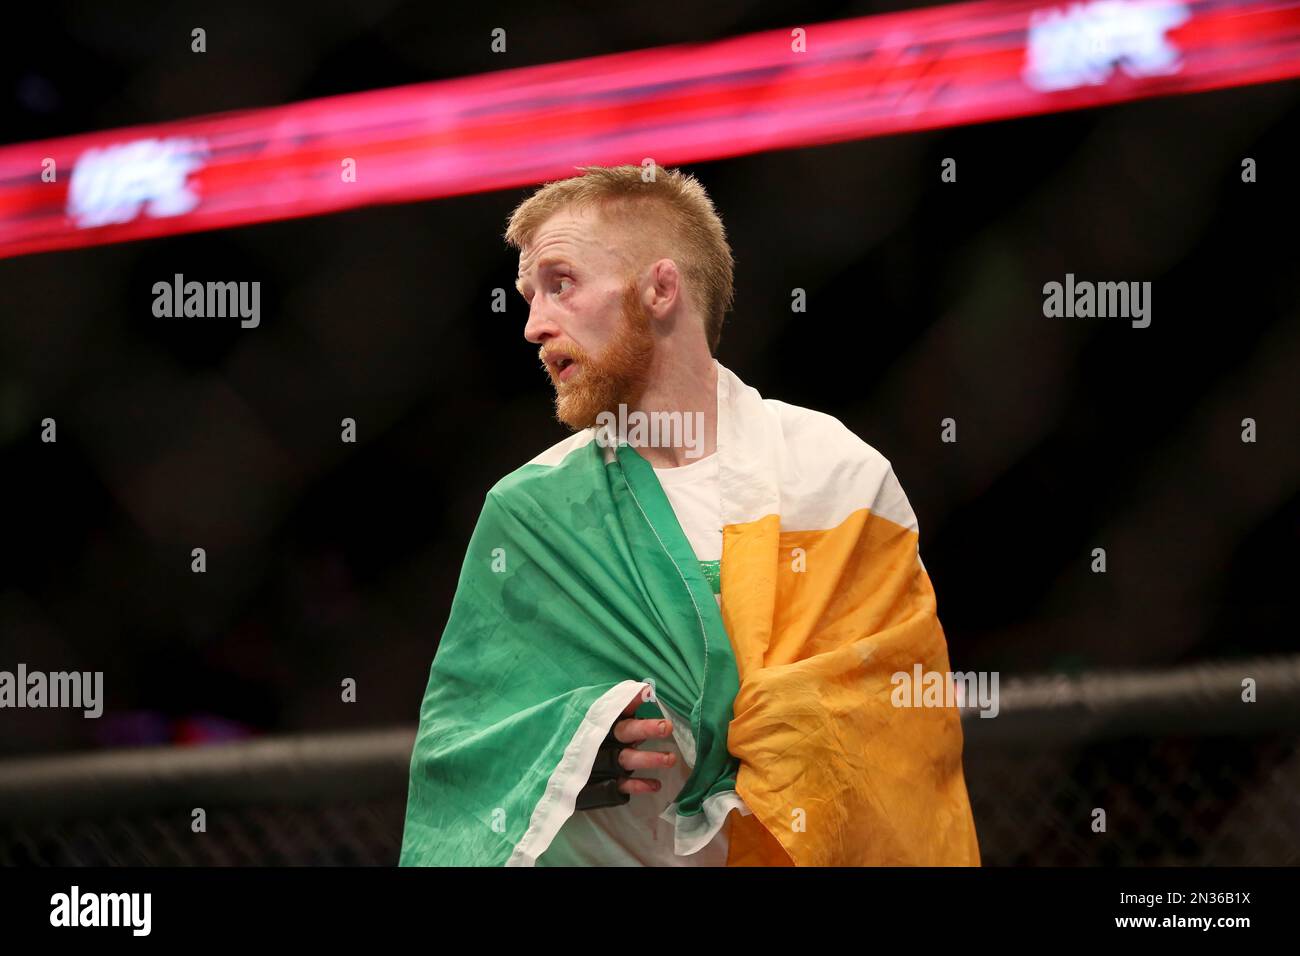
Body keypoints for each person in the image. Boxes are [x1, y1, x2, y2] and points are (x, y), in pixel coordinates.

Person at [399, 163, 980, 866]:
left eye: (560, 284)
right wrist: (560, 757)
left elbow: (896, 741)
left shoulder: (836, 476)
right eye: (528, 297)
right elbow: (465, 756)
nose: (532, 326)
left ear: (660, 289)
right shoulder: (530, 512)